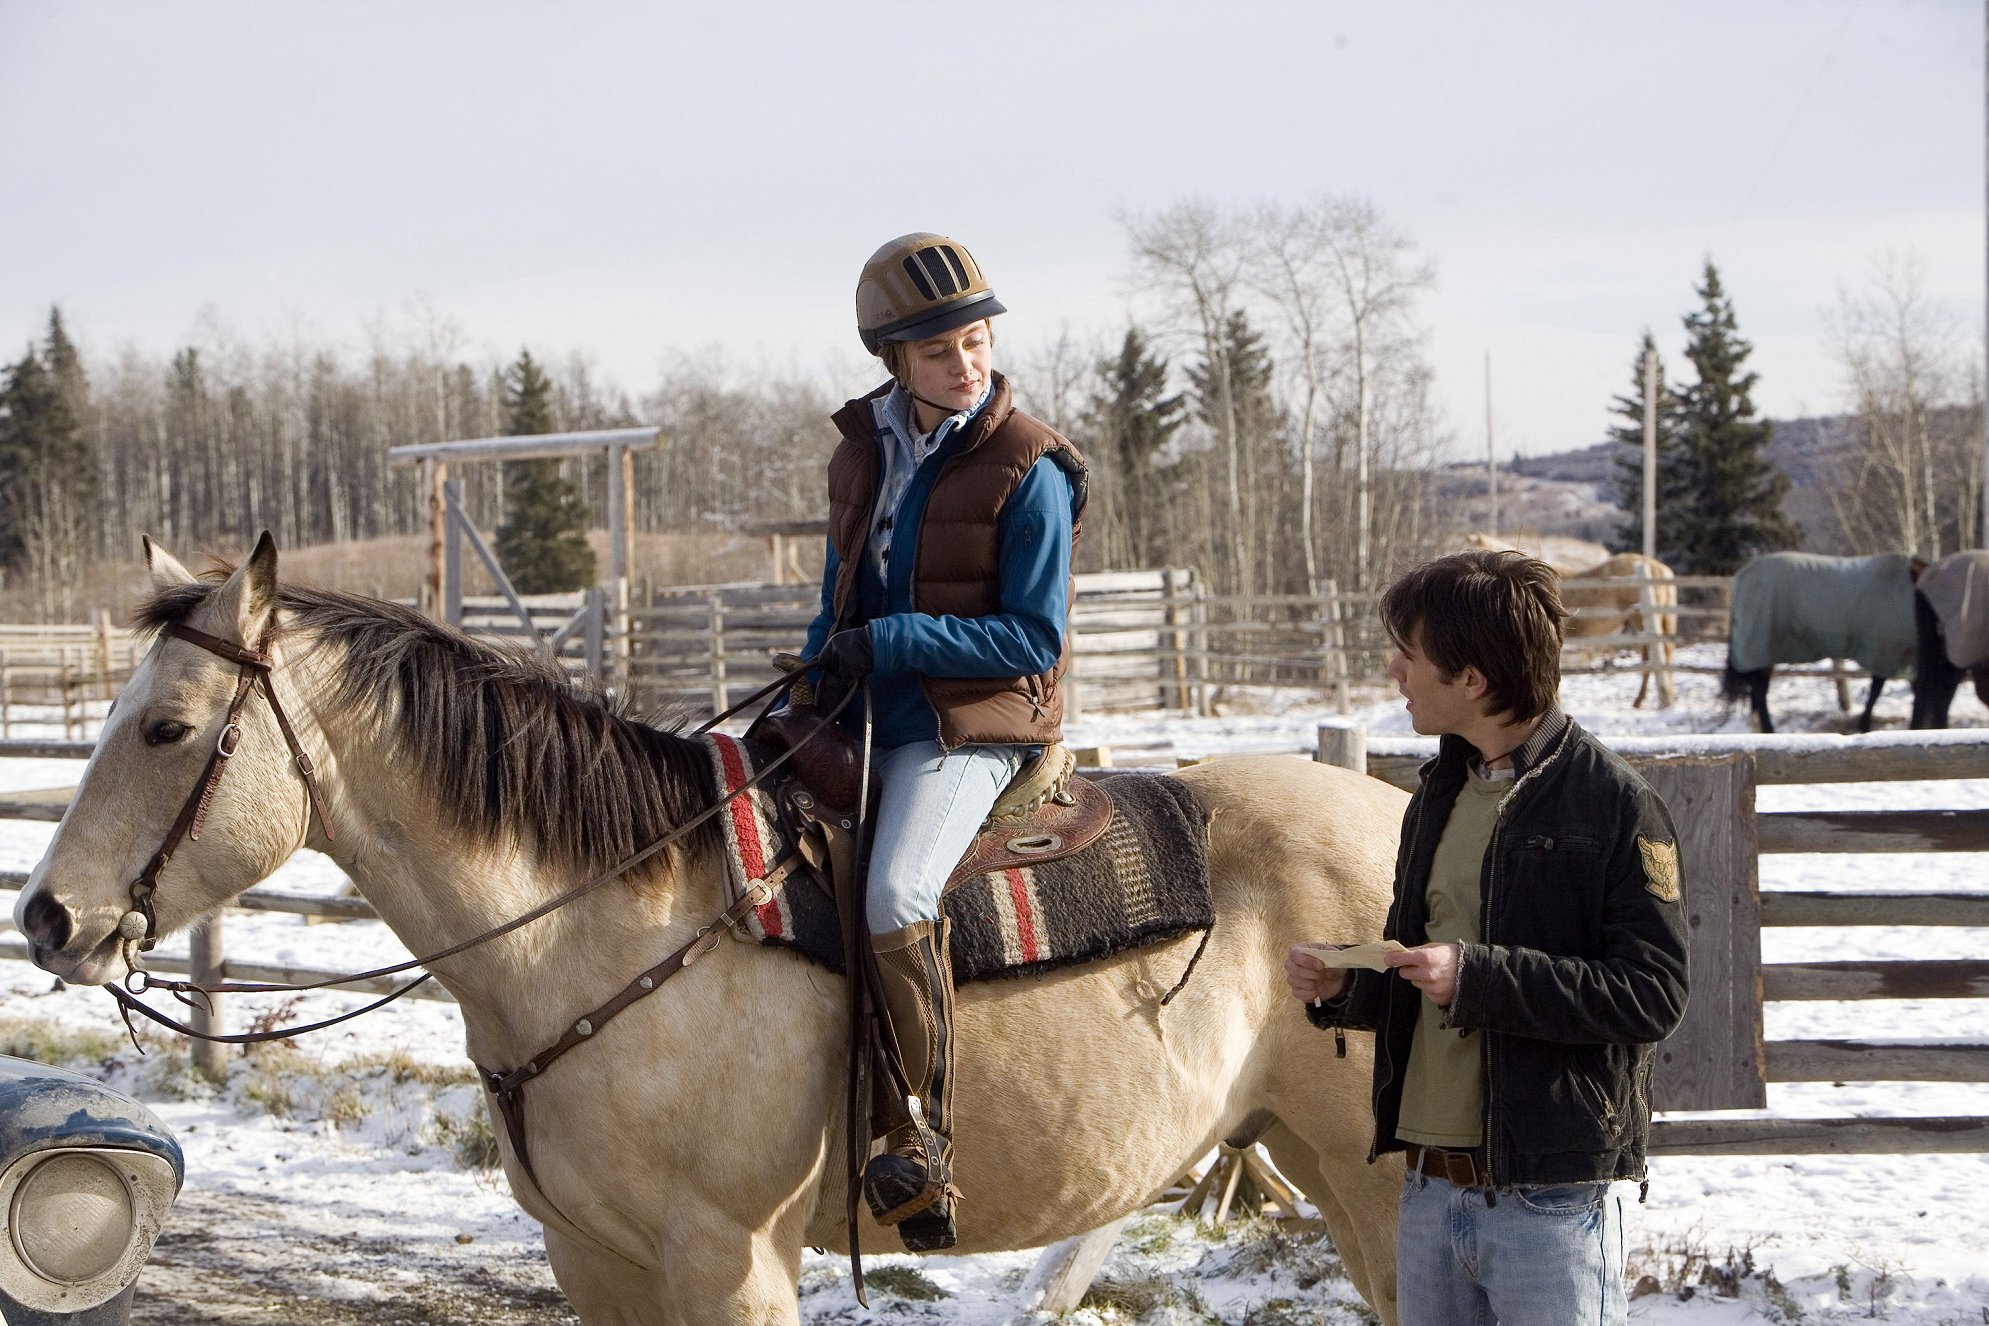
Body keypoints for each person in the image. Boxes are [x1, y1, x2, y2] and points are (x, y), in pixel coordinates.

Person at [1285, 549, 1688, 1325]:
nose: (1394, 670)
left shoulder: (1615, 806)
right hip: (1429, 1189)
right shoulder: (1436, 792)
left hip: (1550, 1202)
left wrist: (1480, 978)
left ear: (1471, 678)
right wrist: (1349, 988)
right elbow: (1430, 967)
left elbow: (1652, 995)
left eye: (1411, 653)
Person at [799, 232, 1085, 1252]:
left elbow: (1032, 637)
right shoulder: (861, 452)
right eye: (939, 352)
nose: (965, 363)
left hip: (976, 724)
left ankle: (917, 1134)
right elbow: (843, 598)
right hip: (868, 709)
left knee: (893, 893)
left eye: (975, 341)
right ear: (893, 363)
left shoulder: (1029, 467)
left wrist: (891, 642)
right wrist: (808, 674)